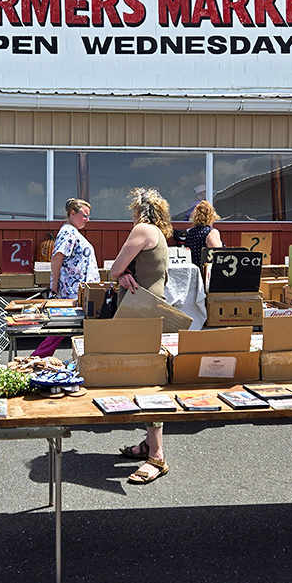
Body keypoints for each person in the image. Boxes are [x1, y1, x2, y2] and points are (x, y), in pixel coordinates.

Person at [110, 187, 173, 484]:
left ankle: (157, 456)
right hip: (151, 303)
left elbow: (114, 268)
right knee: (144, 375)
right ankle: (149, 444)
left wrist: (120, 274)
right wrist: (124, 275)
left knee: (145, 379)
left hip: (139, 308)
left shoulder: (141, 229)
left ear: (138, 210)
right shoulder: (159, 234)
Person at [30, 198, 100, 358]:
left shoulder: (73, 232)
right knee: (60, 329)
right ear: (73, 213)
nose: (87, 220)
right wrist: (54, 283)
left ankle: (38, 358)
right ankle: (36, 358)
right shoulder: (68, 232)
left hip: (80, 291)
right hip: (73, 292)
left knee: (63, 330)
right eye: (84, 215)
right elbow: (57, 256)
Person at [184, 200, 223, 267]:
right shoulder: (211, 233)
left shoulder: (190, 233)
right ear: (212, 217)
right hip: (207, 273)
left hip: (194, 271)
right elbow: (218, 254)